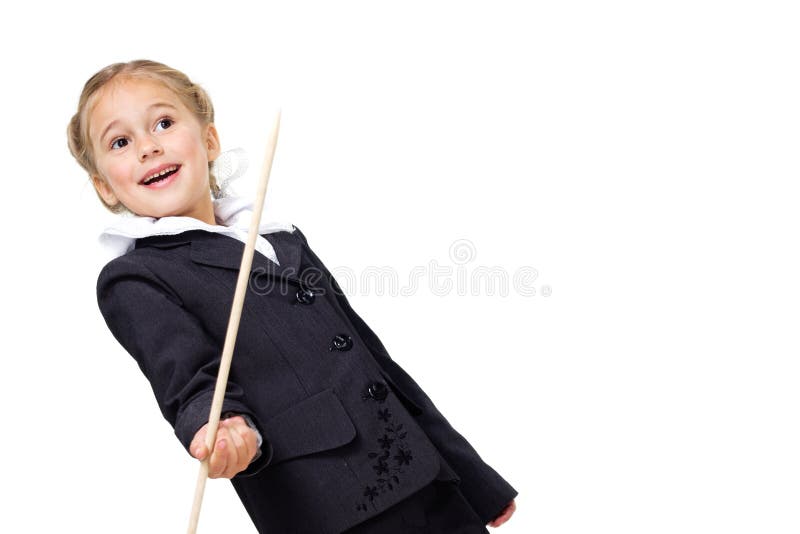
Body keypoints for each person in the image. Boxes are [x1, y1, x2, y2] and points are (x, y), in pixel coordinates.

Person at [67, 59, 518, 533]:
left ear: (209, 141)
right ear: (104, 186)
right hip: (330, 513)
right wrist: (220, 427)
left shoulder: (281, 238)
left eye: (163, 123)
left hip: (428, 483)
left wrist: (469, 474)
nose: (148, 147)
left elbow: (374, 360)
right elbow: (188, 381)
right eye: (120, 142)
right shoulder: (137, 277)